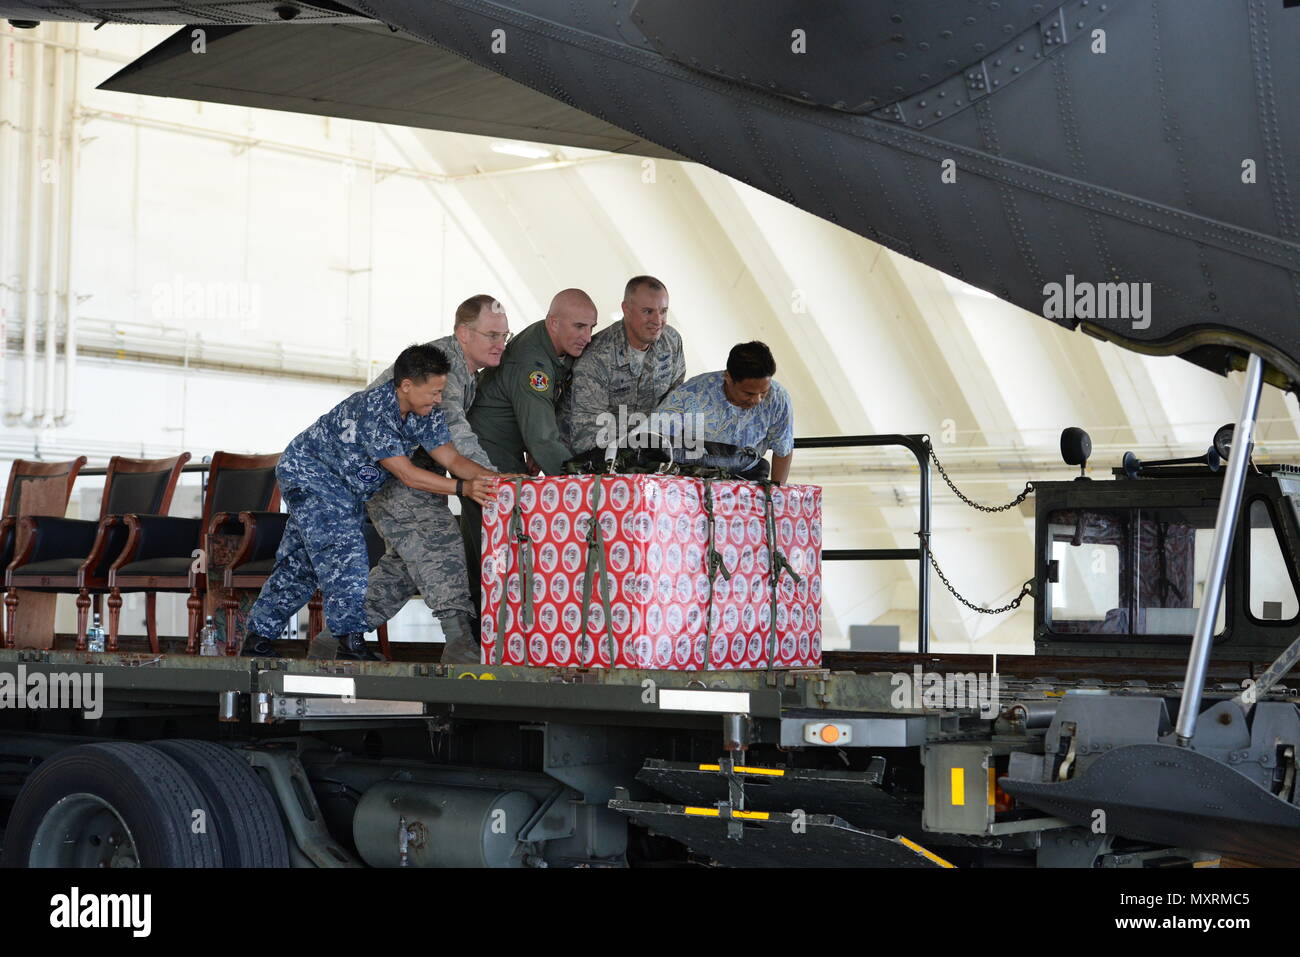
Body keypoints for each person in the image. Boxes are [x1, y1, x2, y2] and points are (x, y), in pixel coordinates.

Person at [240, 343, 499, 661]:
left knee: (300, 566)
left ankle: (257, 639)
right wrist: (464, 489)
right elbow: (408, 475)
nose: (439, 399)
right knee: (346, 556)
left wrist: (496, 480)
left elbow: (451, 457)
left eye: (441, 391)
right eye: (433, 392)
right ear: (406, 385)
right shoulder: (374, 411)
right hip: (311, 476)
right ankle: (349, 646)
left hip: (343, 491)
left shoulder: (422, 412)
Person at [312, 295, 510, 664]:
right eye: (492, 335)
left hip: (406, 468)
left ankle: (335, 638)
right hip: (385, 467)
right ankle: (460, 643)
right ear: (464, 333)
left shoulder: (466, 370)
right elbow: (456, 440)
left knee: (405, 565)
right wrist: (497, 481)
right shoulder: (443, 368)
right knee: (437, 535)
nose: (500, 343)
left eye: (505, 335)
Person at [463, 288, 596, 613]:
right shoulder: (532, 364)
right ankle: (486, 633)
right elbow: (543, 440)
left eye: (591, 327)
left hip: (506, 448)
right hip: (487, 454)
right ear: (554, 323)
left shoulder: (549, 345)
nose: (587, 337)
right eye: (579, 326)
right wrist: (583, 489)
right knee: (496, 545)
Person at [560, 275, 685, 456]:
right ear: (626, 309)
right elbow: (586, 435)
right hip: (588, 462)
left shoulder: (671, 343)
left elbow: (674, 405)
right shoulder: (597, 356)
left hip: (642, 455)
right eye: (648, 312)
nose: (658, 321)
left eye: (663, 311)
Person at [654, 340, 795, 483]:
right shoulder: (691, 394)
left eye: (763, 392)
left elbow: (783, 449)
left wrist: (778, 494)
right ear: (728, 378)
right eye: (749, 394)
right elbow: (656, 441)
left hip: (745, 479)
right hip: (693, 478)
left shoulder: (778, 399)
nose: (757, 400)